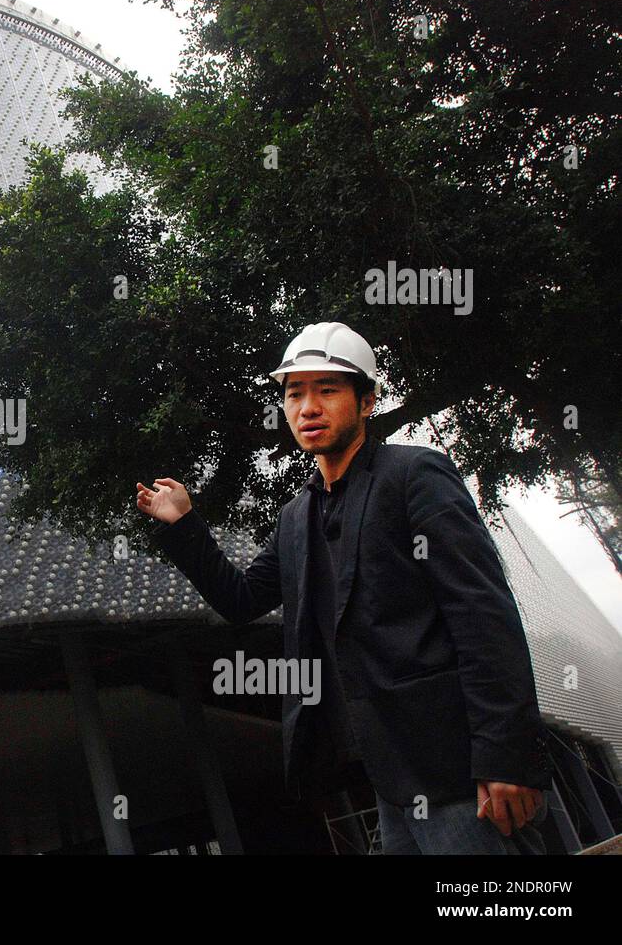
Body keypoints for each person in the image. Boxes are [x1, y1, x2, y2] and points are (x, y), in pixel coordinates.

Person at [135, 321, 554, 854]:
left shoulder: (414, 475)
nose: (307, 407)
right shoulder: (297, 517)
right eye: (294, 393)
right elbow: (241, 601)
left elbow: (482, 614)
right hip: (389, 780)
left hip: (460, 770)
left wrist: (504, 757)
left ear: (367, 401)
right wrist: (185, 525)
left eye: (327, 390)